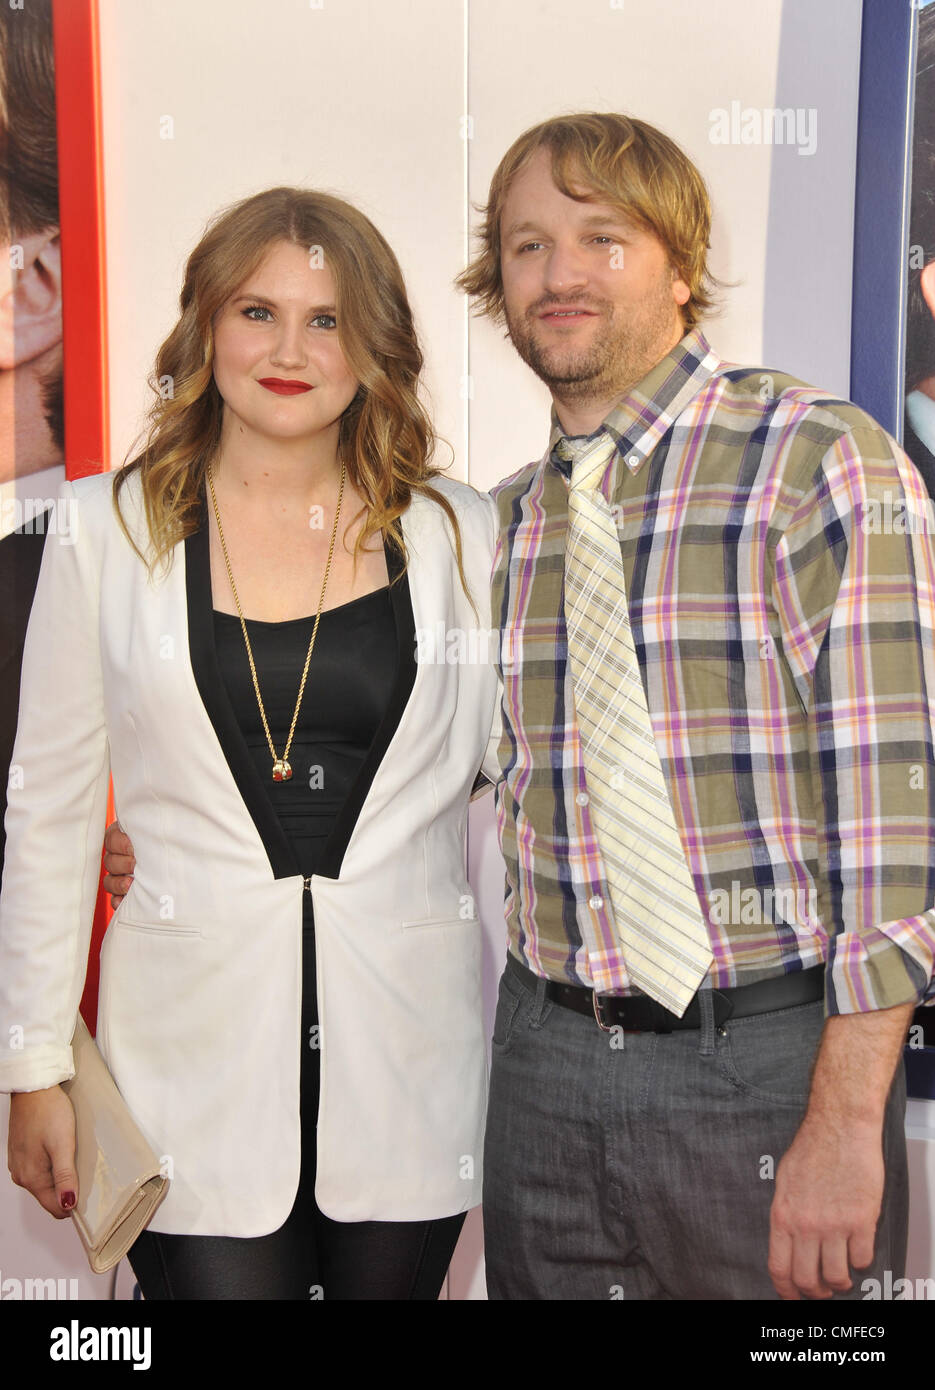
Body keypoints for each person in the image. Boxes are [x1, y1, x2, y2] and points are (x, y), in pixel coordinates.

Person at [455, 112, 935, 1301]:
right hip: (543, 1071)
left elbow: (894, 820)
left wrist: (840, 1119)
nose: (558, 274)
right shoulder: (499, 523)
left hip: (774, 1068)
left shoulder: (814, 458)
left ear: (678, 263)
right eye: (525, 246)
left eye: (599, 237)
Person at [0, 186, 500, 1300]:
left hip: (410, 1070)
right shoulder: (100, 530)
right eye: (255, 311)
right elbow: (51, 812)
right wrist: (31, 1063)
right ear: (202, 331)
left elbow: (519, 765)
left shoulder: (464, 533)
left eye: (326, 320)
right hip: (186, 1072)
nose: (288, 349)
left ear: (374, 347)